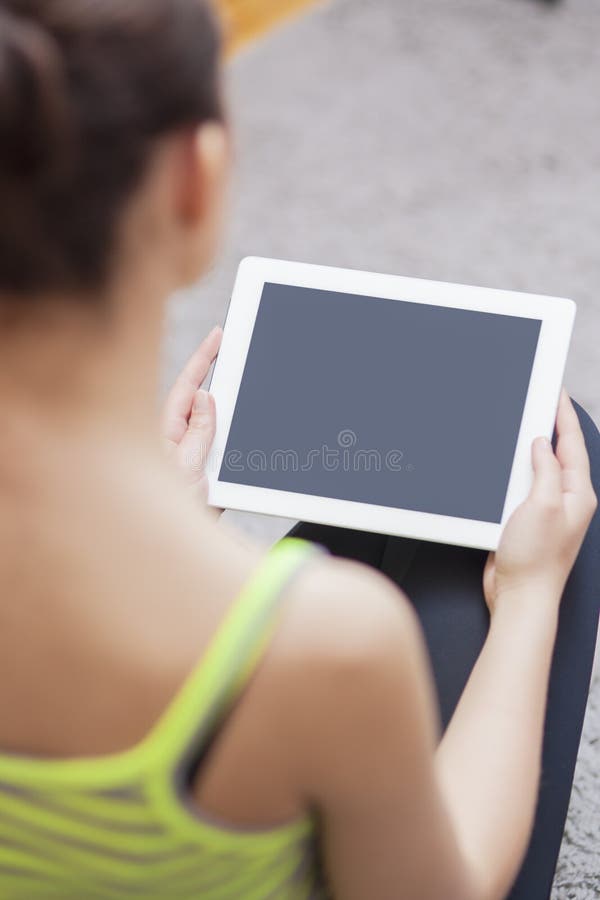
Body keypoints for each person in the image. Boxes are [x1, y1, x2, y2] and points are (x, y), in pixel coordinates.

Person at [0, 2, 597, 899]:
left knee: (426, 484)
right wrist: (528, 597)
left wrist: (169, 525)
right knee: (557, 452)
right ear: (195, 184)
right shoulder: (326, 648)